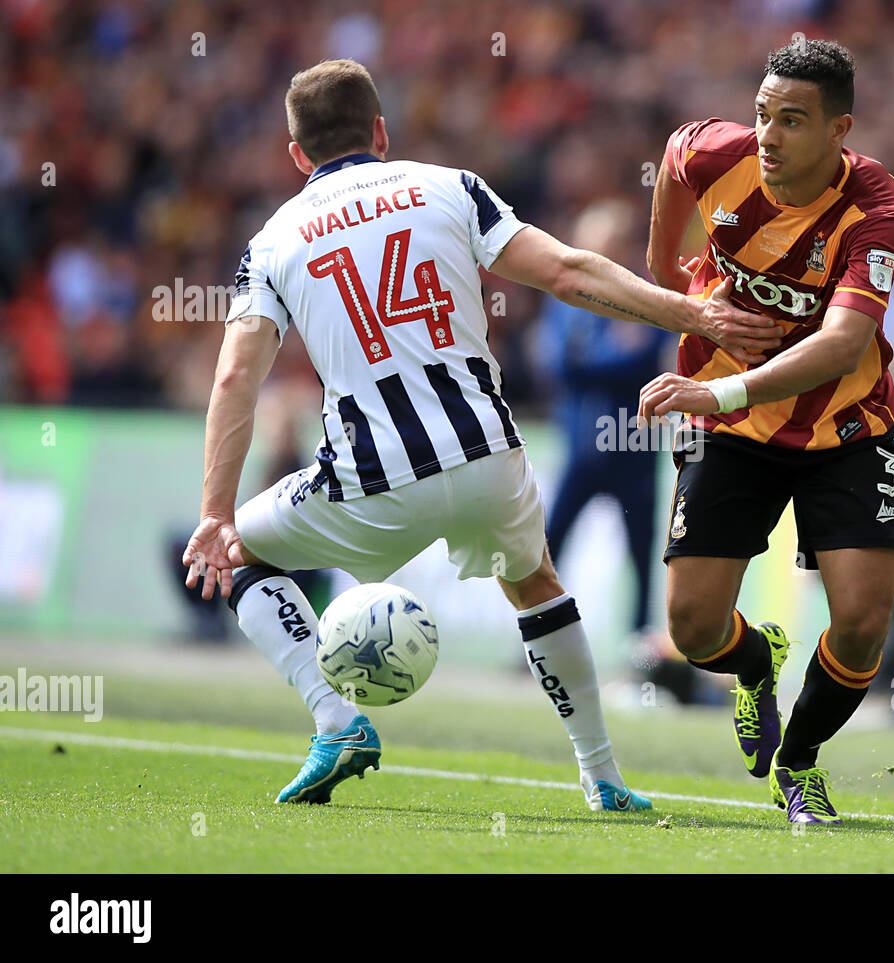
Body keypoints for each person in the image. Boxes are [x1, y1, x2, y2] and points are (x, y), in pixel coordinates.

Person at [181, 59, 779, 811]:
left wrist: (213, 512)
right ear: (380, 131)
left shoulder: (272, 242)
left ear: (296, 153)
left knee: (240, 552)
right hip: (489, 458)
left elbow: (237, 380)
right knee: (537, 586)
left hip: (372, 479)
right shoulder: (449, 186)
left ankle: (336, 720)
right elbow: (566, 270)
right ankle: (603, 776)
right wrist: (688, 312)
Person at [639, 40, 894, 824]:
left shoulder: (877, 210)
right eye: (763, 113)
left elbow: (842, 344)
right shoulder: (713, 154)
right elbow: (674, 159)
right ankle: (756, 660)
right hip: (728, 425)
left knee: (861, 625)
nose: (768, 133)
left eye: (791, 120)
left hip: (846, 428)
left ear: (839, 130)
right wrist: (671, 284)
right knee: (692, 630)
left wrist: (714, 381)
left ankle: (797, 763)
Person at [538, 198, 674, 640]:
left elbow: (646, 360)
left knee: (641, 555)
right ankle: (542, 637)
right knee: (551, 547)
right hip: (582, 449)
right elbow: (560, 364)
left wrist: (595, 357)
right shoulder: (567, 305)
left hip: (633, 449)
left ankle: (641, 650)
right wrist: (614, 352)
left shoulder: (644, 300)